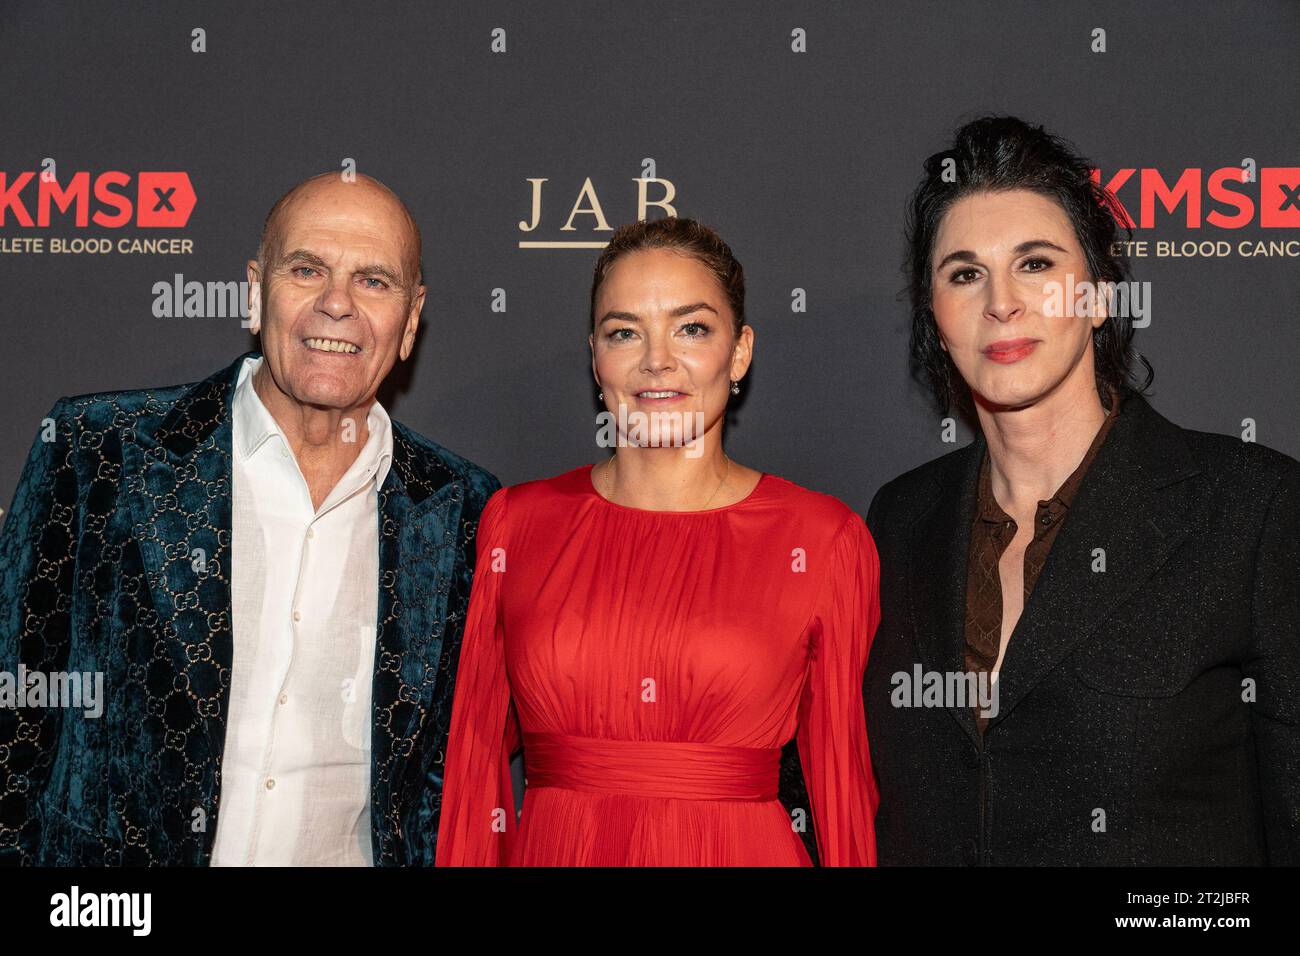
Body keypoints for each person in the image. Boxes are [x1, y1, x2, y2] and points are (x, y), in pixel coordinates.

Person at [0, 172, 499, 866]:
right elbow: (13, 720)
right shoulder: (99, 452)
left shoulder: (464, 511)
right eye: (307, 269)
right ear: (254, 291)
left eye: (373, 281)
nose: (336, 305)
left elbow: (453, 781)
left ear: (411, 318)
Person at [862, 116, 1300, 865]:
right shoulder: (899, 520)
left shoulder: (1251, 509)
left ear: (1099, 297)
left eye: (1035, 264)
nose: (1001, 301)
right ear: (935, 321)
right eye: (965, 273)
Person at [435, 217, 879, 866]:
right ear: (596, 358)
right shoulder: (518, 523)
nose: (656, 360)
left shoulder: (821, 538)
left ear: (740, 350)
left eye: (691, 327)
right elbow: (473, 770)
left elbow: (841, 791)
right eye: (624, 333)